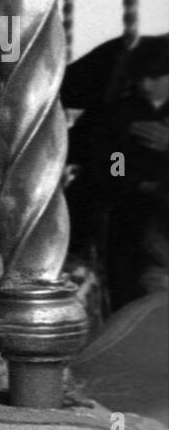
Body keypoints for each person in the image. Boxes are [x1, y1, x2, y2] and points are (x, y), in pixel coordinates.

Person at [68, 34, 169, 310]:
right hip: (128, 210)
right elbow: (110, 159)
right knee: (125, 283)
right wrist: (123, 172)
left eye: (156, 77)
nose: (146, 85)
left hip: (163, 211)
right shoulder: (116, 112)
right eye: (141, 77)